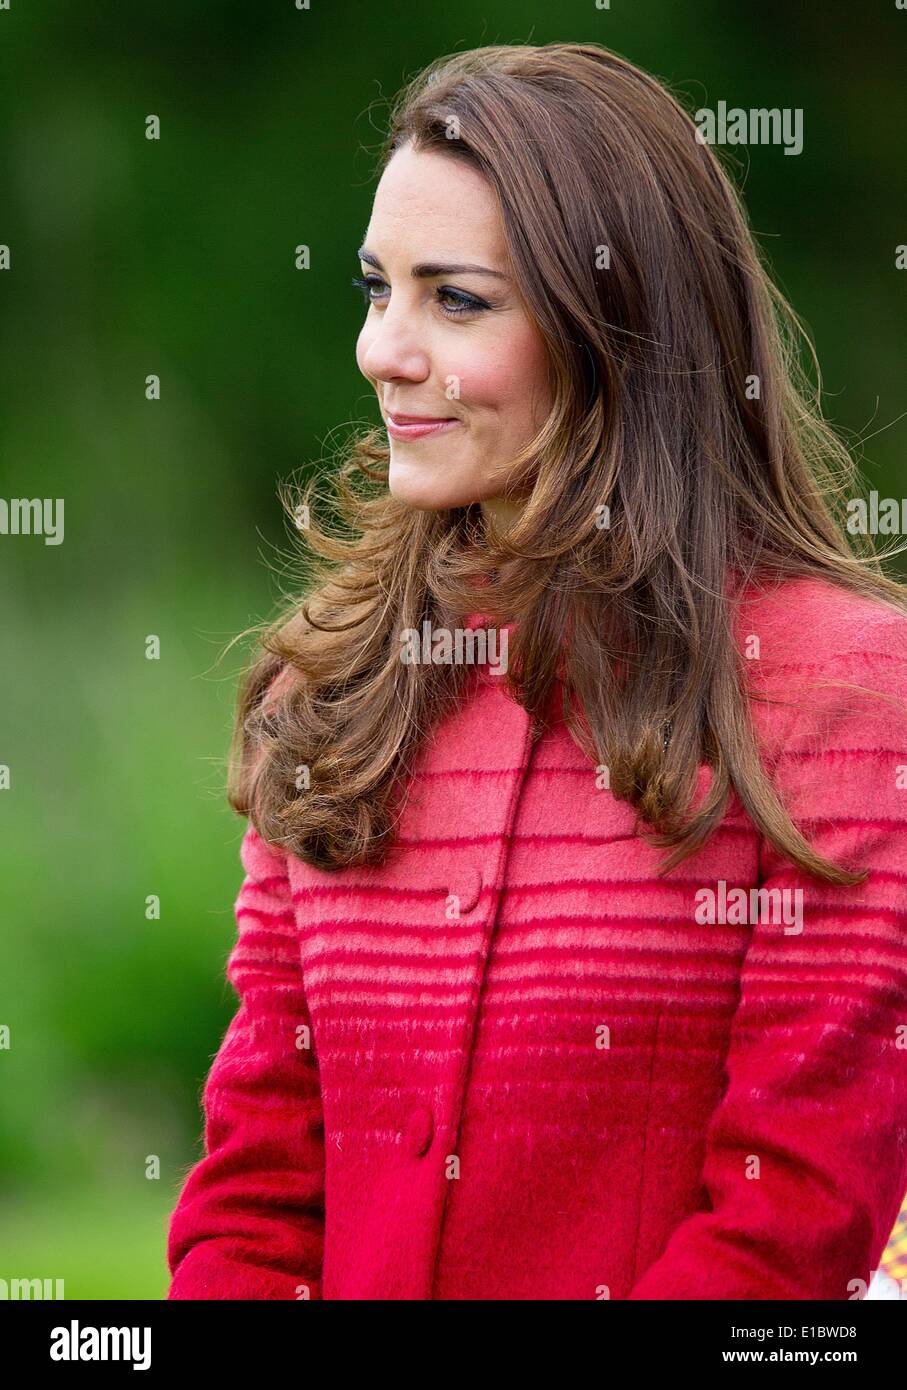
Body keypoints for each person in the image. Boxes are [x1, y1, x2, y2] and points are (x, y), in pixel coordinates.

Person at [165, 42, 907, 1300]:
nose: (381, 350)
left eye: (454, 300)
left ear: (619, 328)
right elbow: (254, 1194)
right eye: (375, 288)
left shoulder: (845, 696)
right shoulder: (332, 695)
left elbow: (791, 1226)